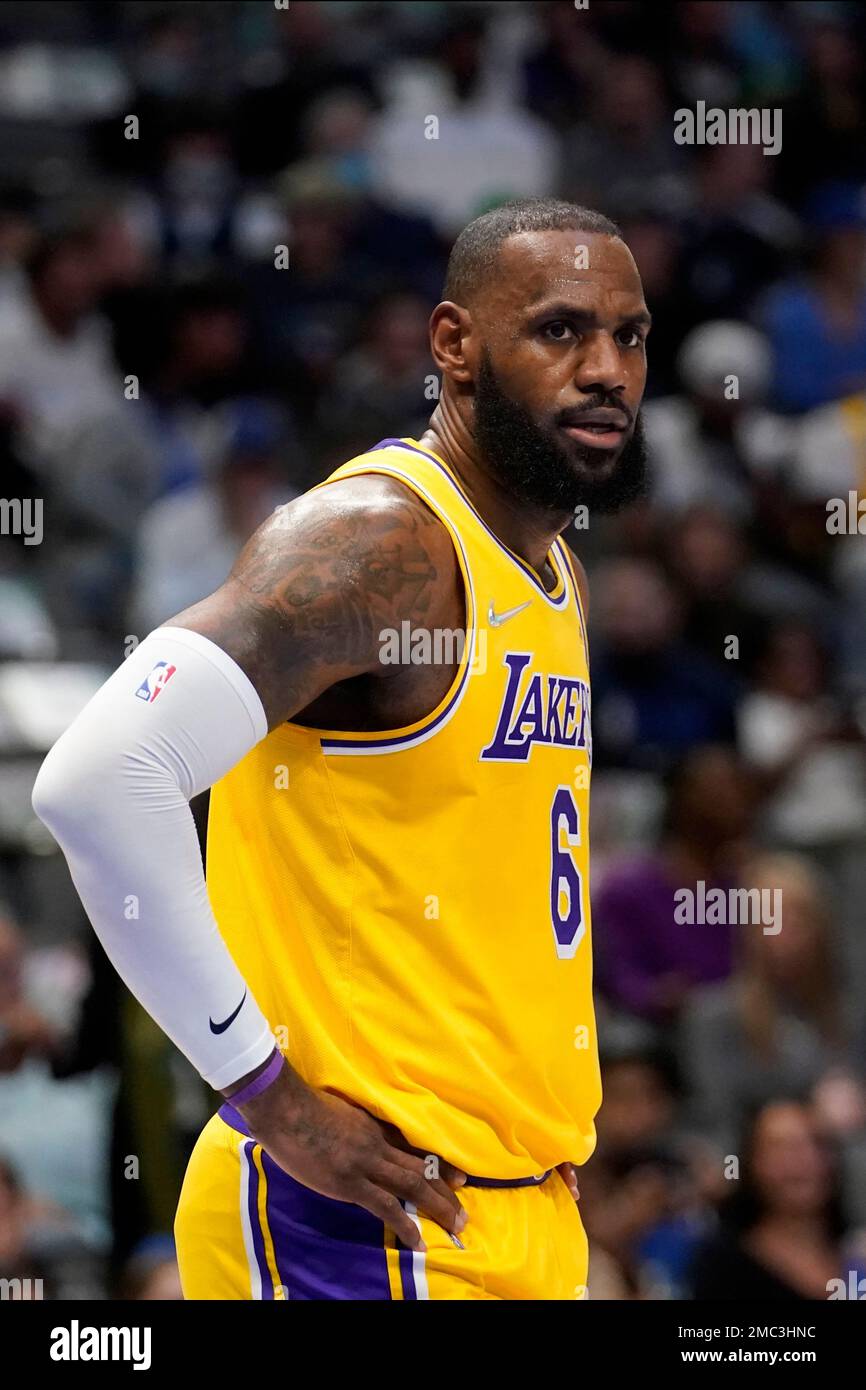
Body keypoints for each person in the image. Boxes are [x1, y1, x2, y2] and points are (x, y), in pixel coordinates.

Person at [32, 197, 649, 1301]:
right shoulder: (378, 541)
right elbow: (99, 778)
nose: (604, 368)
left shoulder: (551, 572)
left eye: (628, 335)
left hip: (510, 1209)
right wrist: (260, 1089)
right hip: (353, 1227)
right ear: (453, 345)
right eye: (560, 330)